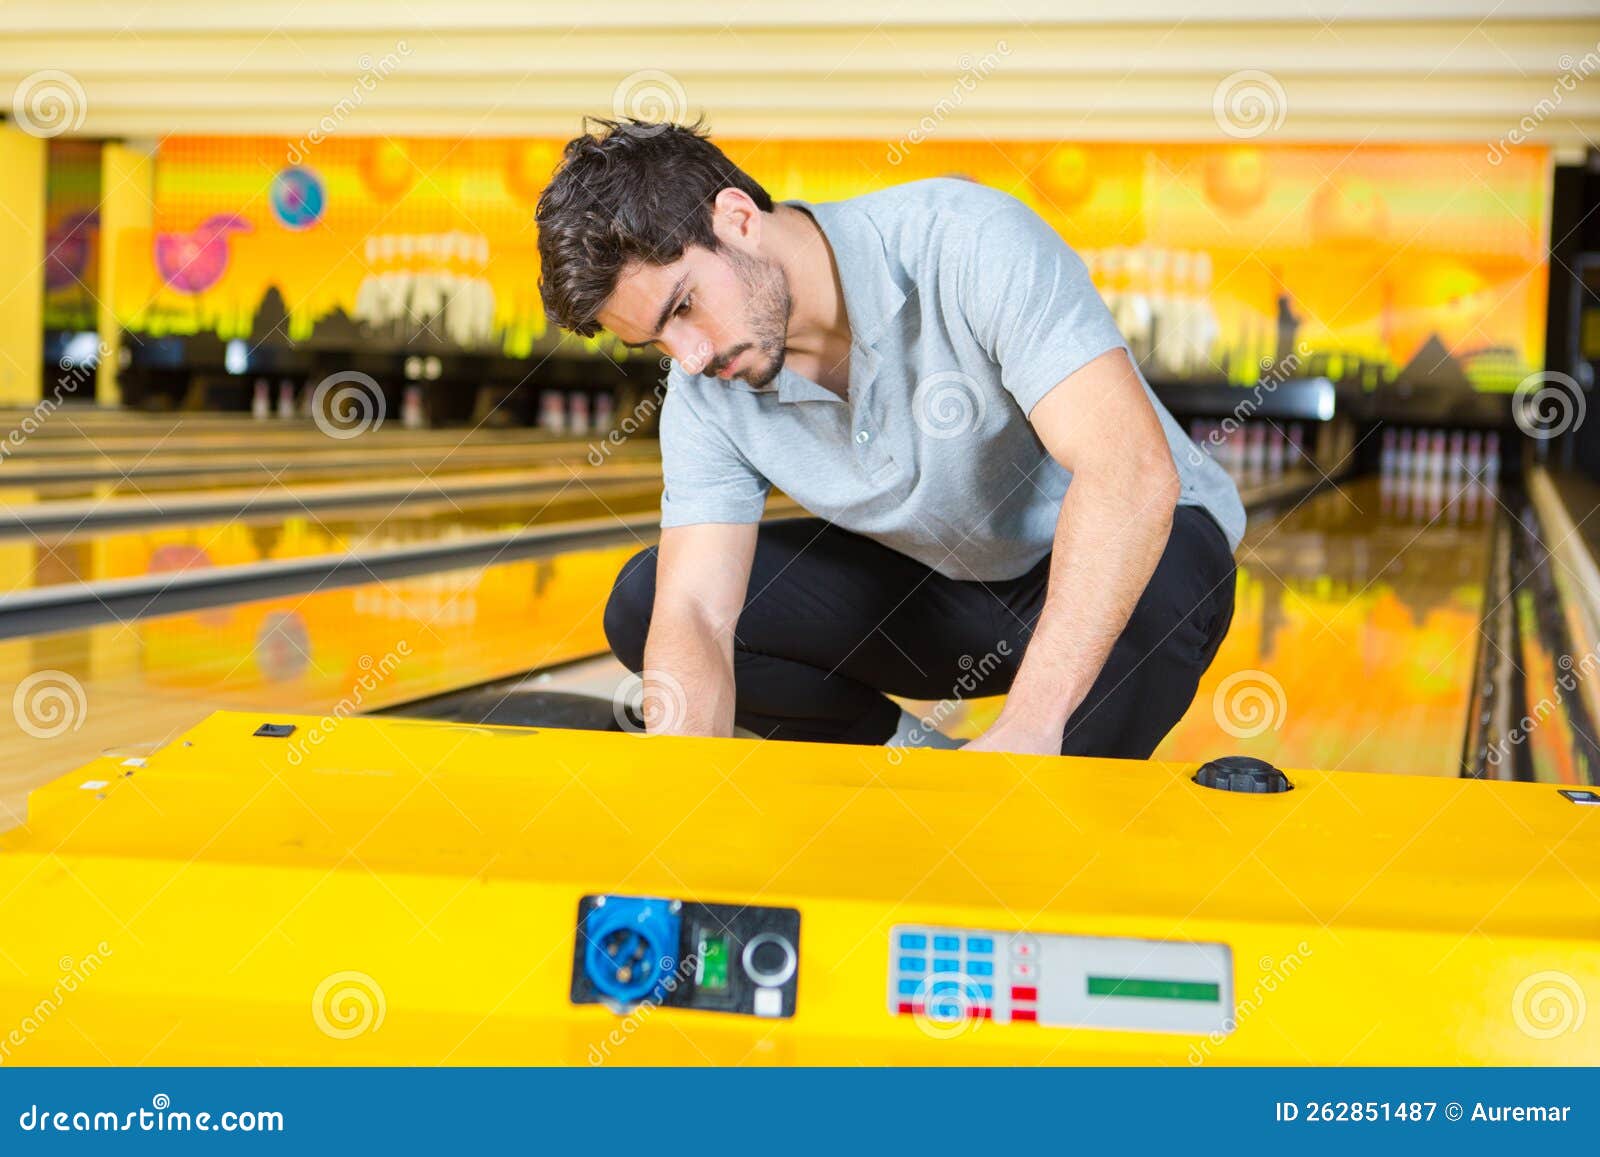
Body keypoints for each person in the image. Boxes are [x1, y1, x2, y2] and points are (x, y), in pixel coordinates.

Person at [535, 119, 1243, 757]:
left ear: (738, 218)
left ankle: (1031, 781)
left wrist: (1028, 727)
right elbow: (694, 609)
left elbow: (1129, 474)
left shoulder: (968, 240)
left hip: (1109, 581)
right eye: (656, 342)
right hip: (943, 605)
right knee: (649, 601)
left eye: (685, 306)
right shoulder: (705, 388)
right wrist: (682, 800)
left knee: (1167, 567)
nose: (688, 357)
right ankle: (913, 759)